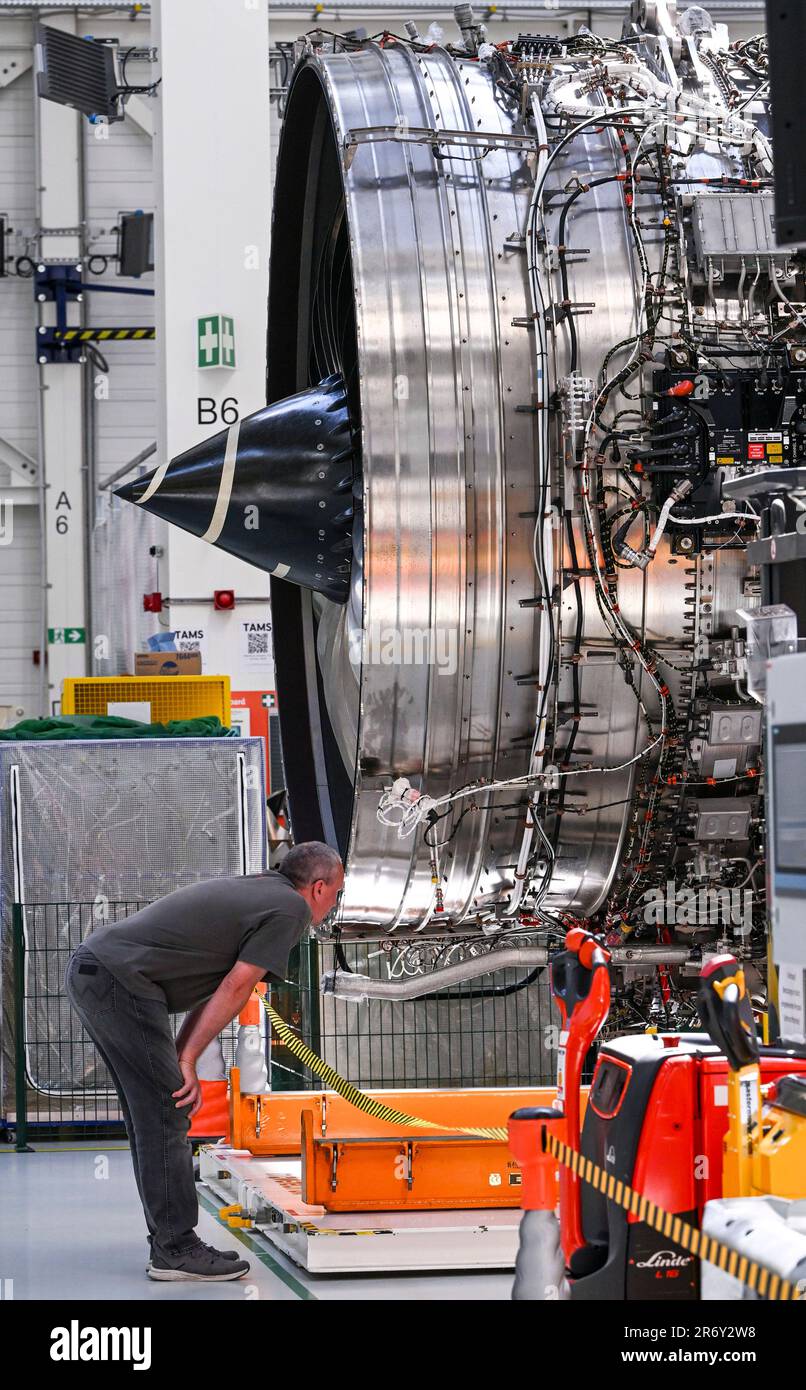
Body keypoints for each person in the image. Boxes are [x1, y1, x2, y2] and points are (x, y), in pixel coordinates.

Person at [64, 841, 344, 1282]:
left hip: (100, 973)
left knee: (154, 1111)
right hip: (119, 981)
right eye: (337, 894)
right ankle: (175, 1249)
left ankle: (168, 1242)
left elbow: (218, 989)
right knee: (166, 1111)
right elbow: (236, 987)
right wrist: (188, 1058)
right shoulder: (290, 909)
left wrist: (183, 1054)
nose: (333, 905)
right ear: (319, 887)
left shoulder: (263, 891)